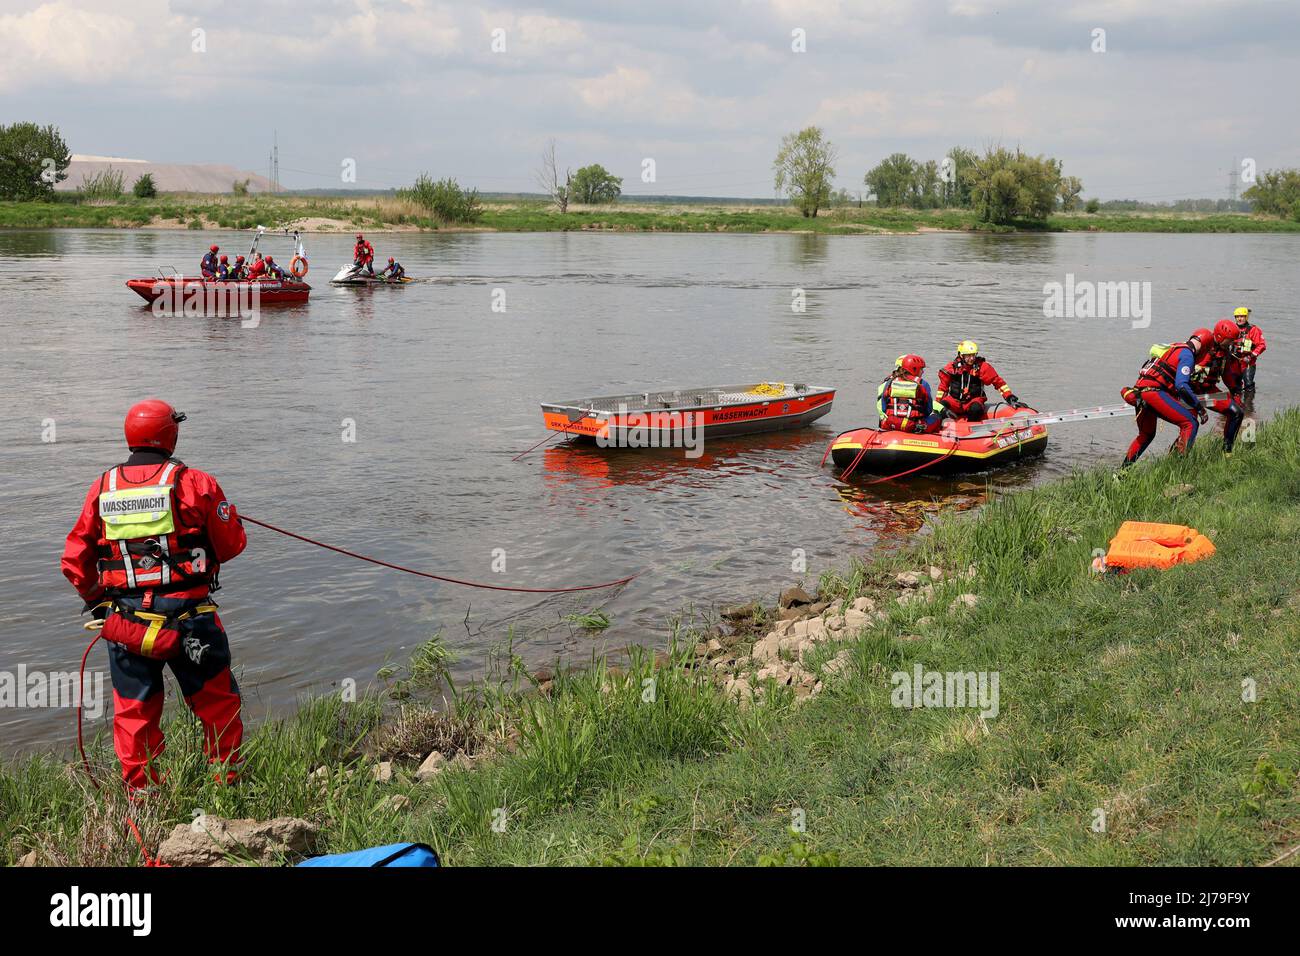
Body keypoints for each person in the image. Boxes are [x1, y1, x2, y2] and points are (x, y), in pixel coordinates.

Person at [61, 399, 247, 794]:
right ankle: (227, 785)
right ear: (171, 434)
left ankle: (143, 799)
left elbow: (74, 561)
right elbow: (231, 545)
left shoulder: (103, 488)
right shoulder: (197, 483)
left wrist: (97, 601)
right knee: (218, 706)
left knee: (134, 716)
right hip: (192, 621)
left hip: (128, 624)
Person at [1120, 329, 1211, 465]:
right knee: (1190, 423)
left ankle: (1121, 475)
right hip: (1153, 393)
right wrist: (1200, 408)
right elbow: (1182, 386)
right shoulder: (1188, 355)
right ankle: (1178, 470)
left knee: (1146, 435)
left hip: (1140, 393)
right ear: (1204, 347)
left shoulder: (1173, 347)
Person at [1188, 320, 1248, 455]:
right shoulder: (1203, 341)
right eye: (1230, 340)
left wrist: (1235, 391)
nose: (1232, 344)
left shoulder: (1225, 352)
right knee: (1190, 425)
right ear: (1221, 337)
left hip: (1208, 390)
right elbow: (1182, 360)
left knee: (1237, 413)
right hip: (1189, 391)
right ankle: (1177, 458)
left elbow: (1226, 373)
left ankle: (1227, 452)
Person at [936, 340, 1025, 421]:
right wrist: (938, 405)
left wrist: (1009, 398)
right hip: (954, 401)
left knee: (976, 409)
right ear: (961, 355)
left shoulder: (982, 367)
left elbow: (998, 382)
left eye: (973, 355)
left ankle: (971, 429)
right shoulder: (951, 368)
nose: (972, 358)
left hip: (973, 400)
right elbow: (942, 388)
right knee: (941, 406)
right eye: (969, 355)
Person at [878, 354, 943, 434]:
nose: (923, 371)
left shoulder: (889, 382)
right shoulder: (922, 384)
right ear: (914, 369)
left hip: (892, 423)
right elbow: (928, 410)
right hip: (913, 426)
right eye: (921, 369)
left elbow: (884, 407)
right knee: (937, 417)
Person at [1230, 306, 1265, 393]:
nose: (1239, 319)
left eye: (1242, 316)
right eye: (1237, 317)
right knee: (1234, 385)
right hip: (1234, 361)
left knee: (1248, 384)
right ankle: (1237, 403)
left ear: (1246, 317)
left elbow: (1262, 345)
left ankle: (1249, 404)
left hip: (1248, 362)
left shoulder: (1253, 330)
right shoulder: (1231, 329)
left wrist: (1251, 356)